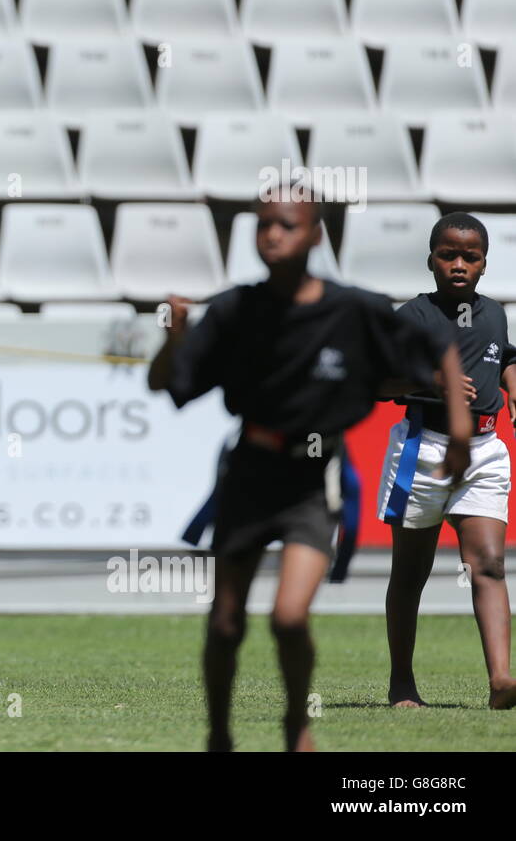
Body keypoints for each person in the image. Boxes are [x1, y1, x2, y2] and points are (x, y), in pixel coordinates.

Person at [148, 189, 472, 751]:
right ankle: (220, 736)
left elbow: (438, 346)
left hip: (312, 477)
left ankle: (296, 725)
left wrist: (461, 430)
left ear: (315, 235)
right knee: (225, 623)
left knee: (289, 618)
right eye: (264, 225)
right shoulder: (234, 309)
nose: (274, 235)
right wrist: (174, 340)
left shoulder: (354, 308)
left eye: (288, 226)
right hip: (249, 472)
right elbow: (166, 383)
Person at [378, 213, 516, 709]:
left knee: (490, 565)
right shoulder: (412, 317)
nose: (458, 264)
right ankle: (402, 685)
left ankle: (501, 681)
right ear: (431, 260)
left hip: (483, 449)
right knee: (410, 573)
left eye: (470, 257)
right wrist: (429, 384)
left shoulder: (495, 313)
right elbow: (376, 383)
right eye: (448, 255)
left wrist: (512, 382)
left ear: (483, 264)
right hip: (424, 448)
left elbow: (506, 356)